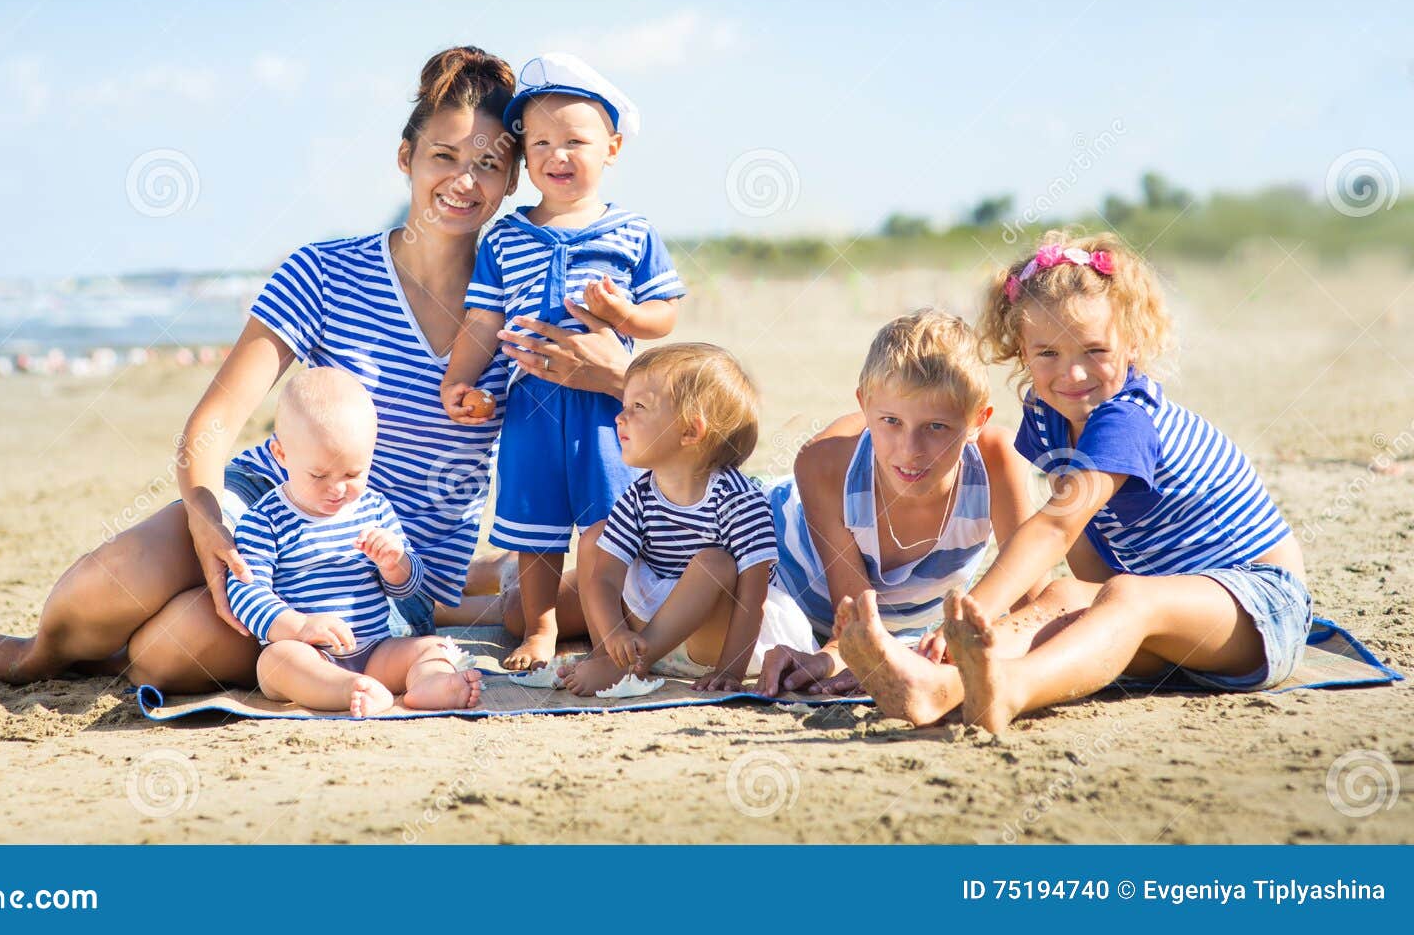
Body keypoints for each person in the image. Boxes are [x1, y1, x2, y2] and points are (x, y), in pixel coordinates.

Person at [0, 45, 635, 693]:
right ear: (406, 157)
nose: (464, 181)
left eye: (487, 164)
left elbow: (629, 422)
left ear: (512, 179)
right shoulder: (322, 270)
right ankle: (29, 655)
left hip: (387, 566)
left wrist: (614, 375)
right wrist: (206, 516)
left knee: (169, 651)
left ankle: (117, 656)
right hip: (270, 500)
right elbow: (217, 418)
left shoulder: (526, 296)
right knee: (105, 585)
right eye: (444, 155)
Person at [835, 233, 1310, 733]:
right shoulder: (1049, 416)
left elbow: (1056, 529)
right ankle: (940, 680)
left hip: (1260, 610)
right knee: (1068, 595)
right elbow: (1088, 565)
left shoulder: (1126, 419)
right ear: (1021, 349)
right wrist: (1048, 616)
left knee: (1127, 597)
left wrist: (976, 610)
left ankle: (1004, 690)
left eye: (1095, 349)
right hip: (1168, 617)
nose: (1073, 373)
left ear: (1133, 341)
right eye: (1047, 354)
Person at [442, 53, 685, 671]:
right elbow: (482, 321)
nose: (559, 154)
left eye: (576, 140)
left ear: (613, 147)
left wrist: (626, 318)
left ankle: (605, 628)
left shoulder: (632, 230)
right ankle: (542, 628)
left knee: (607, 519)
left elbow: (666, 312)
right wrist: (459, 379)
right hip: (530, 405)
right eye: (542, 142)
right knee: (534, 520)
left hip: (610, 407)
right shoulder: (504, 237)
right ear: (526, 159)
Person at [756, 309, 1047, 699]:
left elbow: (1035, 604)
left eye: (936, 427)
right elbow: (855, 622)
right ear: (864, 404)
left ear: (979, 420)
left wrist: (960, 643)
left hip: (891, 631)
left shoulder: (996, 463)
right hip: (770, 571)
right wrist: (833, 657)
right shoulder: (824, 463)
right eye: (891, 421)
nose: (910, 452)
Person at [559, 343, 813, 695]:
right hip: (652, 629)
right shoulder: (638, 496)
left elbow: (753, 598)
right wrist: (615, 635)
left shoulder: (739, 500)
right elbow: (604, 578)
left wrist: (731, 671)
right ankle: (610, 659)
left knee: (715, 563)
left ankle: (631, 668)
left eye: (638, 407)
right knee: (594, 540)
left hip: (715, 640)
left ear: (691, 431)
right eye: (623, 406)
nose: (620, 417)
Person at [227, 368, 481, 715]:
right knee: (275, 662)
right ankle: (346, 689)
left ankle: (429, 682)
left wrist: (396, 564)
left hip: (376, 649)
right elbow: (246, 593)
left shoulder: (374, 508)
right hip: (309, 653)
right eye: (318, 475)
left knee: (432, 647)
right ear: (281, 455)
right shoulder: (265, 518)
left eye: (352, 474)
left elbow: (408, 589)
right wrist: (298, 625)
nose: (337, 488)